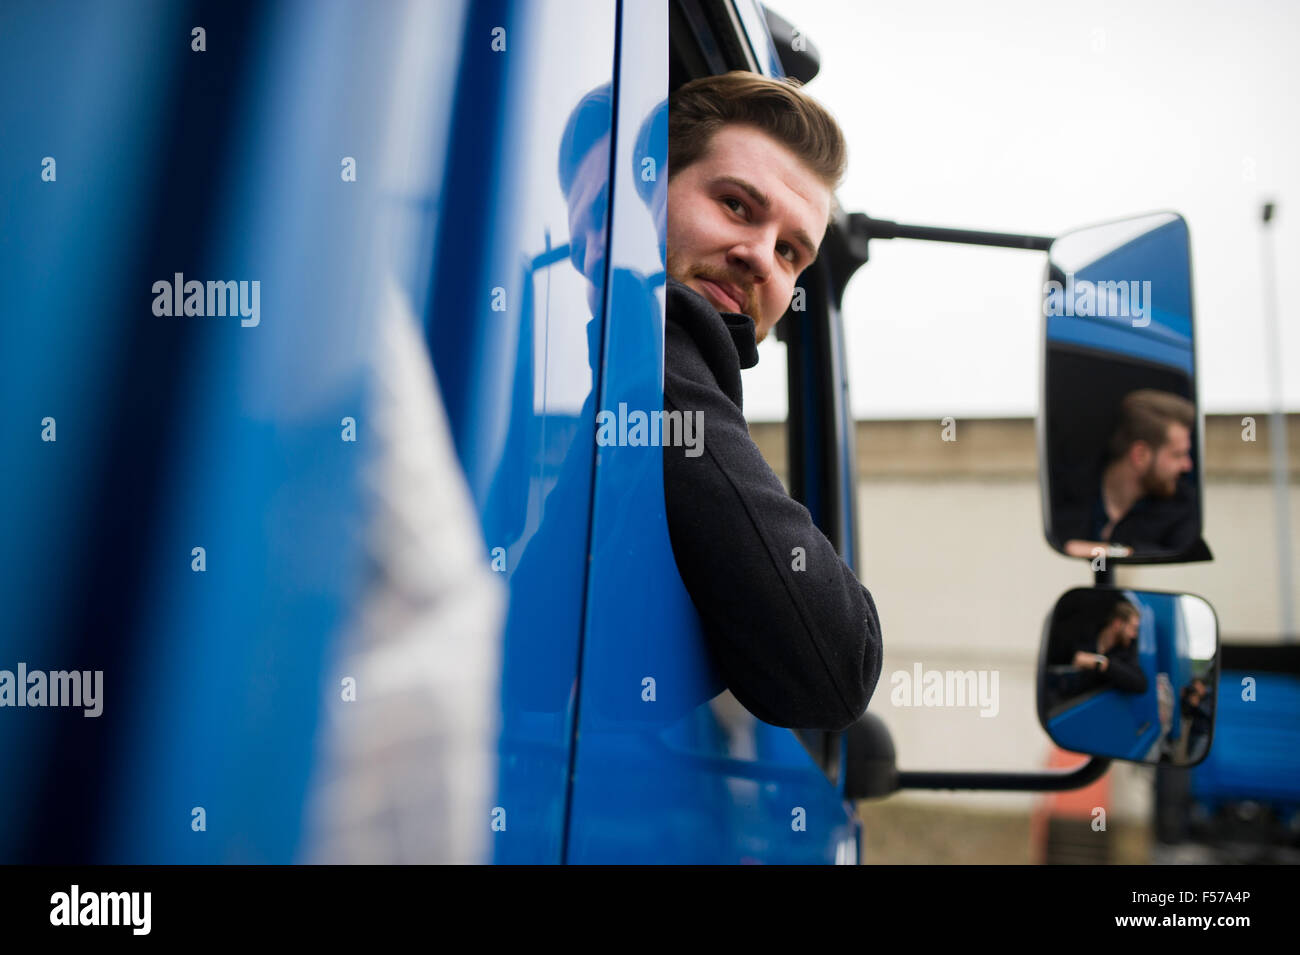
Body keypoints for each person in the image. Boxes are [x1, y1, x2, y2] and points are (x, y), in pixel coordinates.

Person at [661, 71, 882, 732]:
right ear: (642, 190)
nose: (761, 257)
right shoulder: (646, 361)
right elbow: (836, 668)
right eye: (735, 205)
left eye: (790, 251)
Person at [1062, 389, 1199, 558]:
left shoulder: (1182, 505)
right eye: (1177, 455)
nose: (1187, 465)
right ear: (1140, 455)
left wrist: (1112, 551)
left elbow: (1180, 554)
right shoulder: (1069, 491)